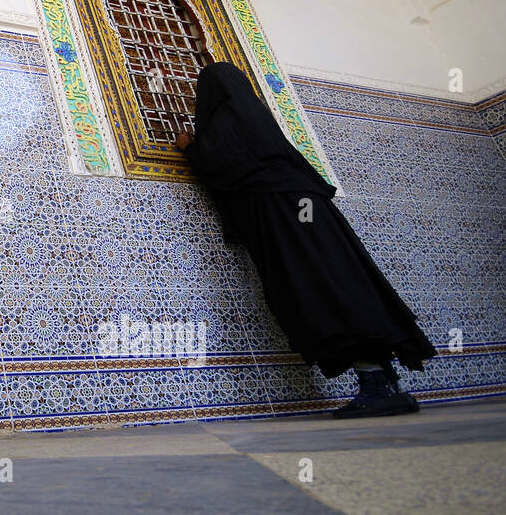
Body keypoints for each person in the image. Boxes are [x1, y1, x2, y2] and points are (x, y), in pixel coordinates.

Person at [174, 62, 435, 419]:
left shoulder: (225, 123)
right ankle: (387, 386)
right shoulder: (258, 118)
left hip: (285, 219)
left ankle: (376, 389)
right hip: (311, 214)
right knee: (342, 282)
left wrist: (191, 149)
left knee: (319, 291)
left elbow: (224, 171)